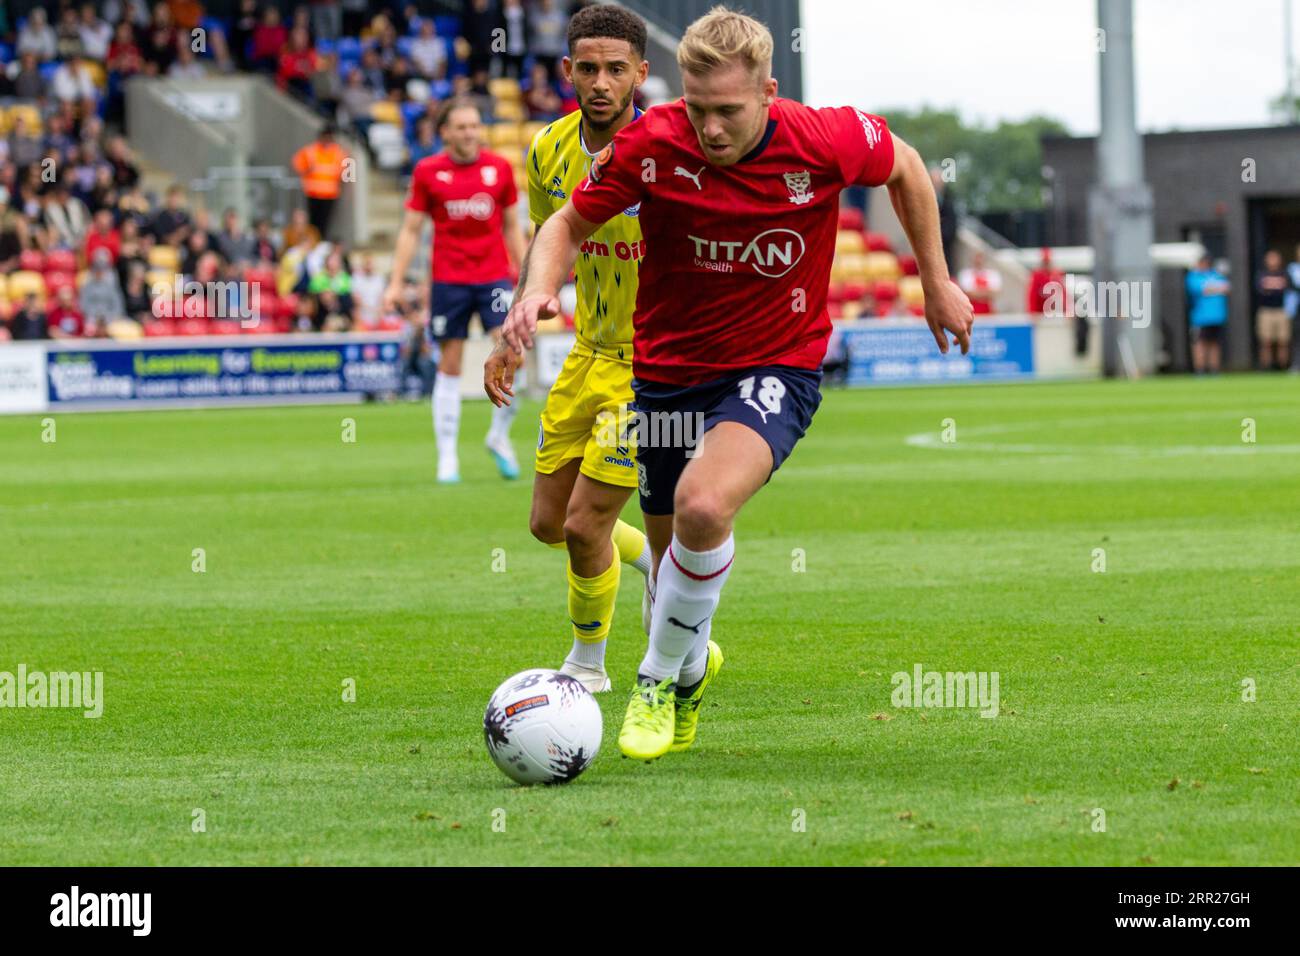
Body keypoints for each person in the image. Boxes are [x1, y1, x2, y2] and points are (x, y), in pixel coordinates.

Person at [501, 7, 972, 760]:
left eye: (728, 110)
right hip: (664, 374)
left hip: (772, 366)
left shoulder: (824, 138)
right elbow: (566, 223)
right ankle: (688, 674)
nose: (710, 129)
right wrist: (535, 293)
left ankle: (653, 678)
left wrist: (936, 280)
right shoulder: (652, 144)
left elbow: (908, 167)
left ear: (768, 92)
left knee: (704, 504)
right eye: (696, 108)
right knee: (667, 565)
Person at [483, 4, 654, 694]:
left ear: (642, 74)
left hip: (654, 368)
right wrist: (516, 326)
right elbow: (545, 241)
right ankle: (654, 565)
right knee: (547, 523)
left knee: (586, 528)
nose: (602, 82)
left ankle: (587, 668)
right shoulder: (547, 149)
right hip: (587, 352)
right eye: (588, 68)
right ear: (567, 71)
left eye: (617, 69)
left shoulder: (669, 150)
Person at [385, 97, 526, 483]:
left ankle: (498, 437)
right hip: (448, 280)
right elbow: (411, 230)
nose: (469, 133)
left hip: (494, 277)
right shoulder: (428, 172)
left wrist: (528, 278)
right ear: (444, 131)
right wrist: (396, 281)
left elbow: (512, 227)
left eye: (474, 125)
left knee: (515, 356)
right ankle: (447, 458)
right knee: (450, 363)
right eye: (461, 126)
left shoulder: (498, 169)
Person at [291, 124, 349, 242]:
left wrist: (344, 179)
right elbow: (297, 163)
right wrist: (306, 170)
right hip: (313, 192)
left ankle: (321, 242)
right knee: (313, 222)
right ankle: (313, 242)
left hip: (330, 193)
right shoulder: (311, 151)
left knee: (325, 222)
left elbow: (347, 170)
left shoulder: (338, 152)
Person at [1186, 254, 1228, 374]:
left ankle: (1214, 369)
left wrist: (1211, 288)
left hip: (1217, 317)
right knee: (1199, 344)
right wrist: (1216, 288)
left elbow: (1226, 287)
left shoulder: (1215, 275)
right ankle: (1200, 370)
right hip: (1200, 318)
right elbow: (1201, 289)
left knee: (1214, 344)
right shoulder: (1193, 276)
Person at [1255, 250, 1290, 370]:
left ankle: (1282, 366)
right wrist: (1276, 285)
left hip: (1281, 310)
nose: (1273, 261)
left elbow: (1287, 288)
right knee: (1266, 341)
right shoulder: (1261, 274)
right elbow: (1261, 289)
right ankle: (1266, 367)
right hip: (1266, 311)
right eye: (1270, 258)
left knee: (1283, 341)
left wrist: (1271, 285)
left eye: (1275, 258)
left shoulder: (1285, 273)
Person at [957, 250, 1001, 315]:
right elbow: (967, 293)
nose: (979, 261)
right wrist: (985, 292)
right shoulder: (965, 274)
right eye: (977, 258)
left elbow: (995, 293)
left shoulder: (992, 274)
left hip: (988, 310)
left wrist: (976, 292)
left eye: (980, 258)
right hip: (971, 309)